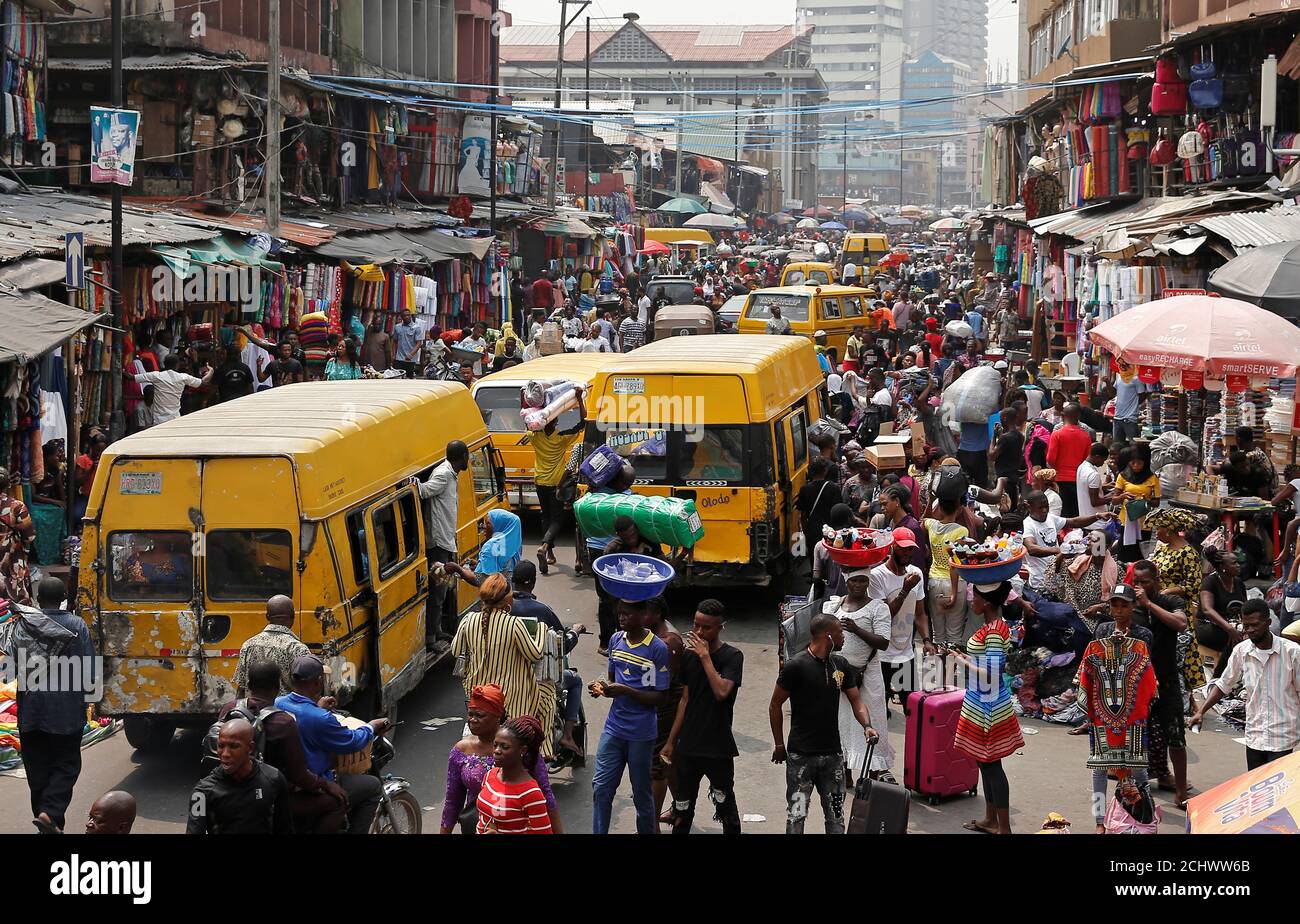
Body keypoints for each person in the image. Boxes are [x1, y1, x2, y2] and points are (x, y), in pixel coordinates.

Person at [769, 613, 878, 835]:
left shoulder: (841, 665)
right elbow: (775, 705)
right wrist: (779, 745)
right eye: (840, 632)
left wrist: (867, 725)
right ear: (828, 635)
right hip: (801, 758)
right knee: (796, 814)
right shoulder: (795, 666)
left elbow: (856, 700)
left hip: (833, 757)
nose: (844, 637)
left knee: (836, 815)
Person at [226, 660, 350, 833]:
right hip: (269, 800)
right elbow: (300, 776)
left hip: (231, 790)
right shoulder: (283, 722)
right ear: (277, 686)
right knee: (338, 802)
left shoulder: (230, 709)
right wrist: (326, 785)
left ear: (249, 684)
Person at [12, 577, 94, 833]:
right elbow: (89, 667)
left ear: (37, 599)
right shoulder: (76, 624)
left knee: (38, 770)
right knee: (66, 766)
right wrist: (91, 699)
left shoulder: (24, 624)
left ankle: (47, 822)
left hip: (32, 712)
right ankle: (50, 814)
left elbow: (12, 664)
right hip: (66, 712)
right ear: (63, 600)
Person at [274, 655, 389, 833]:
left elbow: (304, 721)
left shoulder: (279, 703)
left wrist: (316, 707)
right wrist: (371, 727)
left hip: (290, 781)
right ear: (319, 681)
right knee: (373, 786)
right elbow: (351, 741)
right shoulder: (320, 718)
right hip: (313, 784)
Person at [589, 597, 671, 835]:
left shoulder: (657, 648)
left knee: (642, 796)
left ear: (644, 614)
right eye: (620, 613)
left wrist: (626, 691)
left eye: (627, 614)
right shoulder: (615, 640)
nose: (622, 618)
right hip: (614, 728)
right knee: (601, 789)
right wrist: (602, 688)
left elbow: (660, 697)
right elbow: (613, 680)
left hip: (641, 733)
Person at [1081, 584, 1158, 833]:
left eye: (1125, 605)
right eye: (1115, 605)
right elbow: (1091, 668)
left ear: (1133, 606)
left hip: (1132, 714)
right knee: (1100, 769)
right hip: (1104, 712)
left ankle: (1144, 816)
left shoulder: (1143, 635)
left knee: (1138, 769)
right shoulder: (1101, 630)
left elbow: (1144, 672)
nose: (1119, 610)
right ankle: (1099, 821)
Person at [662, 600, 743, 834]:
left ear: (721, 627)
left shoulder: (732, 657)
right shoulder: (689, 657)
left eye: (706, 627)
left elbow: (721, 692)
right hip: (688, 747)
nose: (698, 632)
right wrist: (670, 742)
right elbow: (684, 700)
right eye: (696, 625)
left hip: (718, 747)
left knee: (726, 807)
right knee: (682, 810)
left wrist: (705, 657)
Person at [950, 581, 1024, 834]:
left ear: (988, 602)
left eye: (976, 598)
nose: (972, 602)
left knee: (991, 765)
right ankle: (991, 820)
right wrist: (969, 658)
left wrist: (963, 661)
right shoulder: (993, 627)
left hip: (988, 705)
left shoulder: (994, 631)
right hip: (981, 699)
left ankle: (1004, 828)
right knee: (985, 763)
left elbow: (992, 674)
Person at [451, 574, 555, 753]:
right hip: (511, 698)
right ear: (507, 599)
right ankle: (543, 753)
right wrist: (542, 631)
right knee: (549, 694)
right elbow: (535, 654)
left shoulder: (469, 620)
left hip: (477, 694)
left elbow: (455, 649)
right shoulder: (514, 624)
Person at [1192, 600, 1300, 770]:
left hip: (1283, 736)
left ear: (1268, 623)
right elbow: (1223, 685)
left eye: (1255, 625)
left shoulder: (1292, 652)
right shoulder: (1241, 651)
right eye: (1246, 626)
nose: (1250, 630)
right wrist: (1201, 711)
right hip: (1254, 734)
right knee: (1256, 788)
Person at [1128, 561, 1191, 808]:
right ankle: (1135, 790)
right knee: (1134, 739)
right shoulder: (1129, 604)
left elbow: (1181, 624)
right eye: (1136, 582)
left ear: (1157, 580)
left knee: (1176, 737)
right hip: (1138, 684)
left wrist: (1149, 605)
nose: (1140, 587)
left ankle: (1181, 794)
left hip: (1166, 682)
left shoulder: (1170, 603)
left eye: (1145, 582)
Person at [510, 561, 585, 758]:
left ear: (512, 581)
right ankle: (568, 735)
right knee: (575, 681)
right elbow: (563, 644)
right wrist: (575, 632)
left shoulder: (502, 609)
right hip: (540, 681)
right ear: (533, 583)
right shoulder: (542, 610)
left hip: (507, 678)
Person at [833, 571, 895, 780]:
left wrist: (856, 629)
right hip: (840, 676)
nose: (859, 585)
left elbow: (883, 642)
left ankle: (873, 776)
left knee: (873, 720)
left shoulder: (878, 607)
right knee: (843, 723)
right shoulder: (834, 606)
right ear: (846, 581)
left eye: (863, 581)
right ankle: (845, 772)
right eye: (854, 580)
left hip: (868, 676)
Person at [187, 718, 294, 834]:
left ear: (250, 748)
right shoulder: (202, 793)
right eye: (221, 746)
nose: (225, 754)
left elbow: (284, 828)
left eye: (234, 746)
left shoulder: (274, 779)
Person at [870, 527, 931, 706]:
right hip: (882, 655)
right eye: (902, 548)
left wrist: (927, 640)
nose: (907, 553)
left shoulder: (916, 574)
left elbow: (920, 613)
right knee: (879, 707)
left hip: (906, 655)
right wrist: (905, 590)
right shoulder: (877, 576)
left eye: (910, 549)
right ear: (891, 547)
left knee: (912, 709)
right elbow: (883, 616)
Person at [530, 388, 586, 576]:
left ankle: (550, 554)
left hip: (539, 481)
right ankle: (545, 546)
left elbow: (528, 421)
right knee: (557, 518)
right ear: (554, 420)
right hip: (556, 483)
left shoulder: (534, 437)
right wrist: (579, 398)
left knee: (545, 515)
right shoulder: (560, 439)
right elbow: (582, 424)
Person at [420, 440, 468, 645]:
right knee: (438, 592)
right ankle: (431, 638)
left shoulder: (451, 474)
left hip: (447, 540)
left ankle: (438, 630)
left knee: (444, 589)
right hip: (439, 543)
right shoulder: (443, 474)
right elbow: (423, 491)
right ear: (463, 457)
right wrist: (412, 483)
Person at [474, 714, 554, 834]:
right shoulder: (490, 775)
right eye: (495, 745)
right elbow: (486, 819)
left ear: (522, 750)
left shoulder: (531, 793)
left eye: (504, 747)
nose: (497, 751)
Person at [232, 594, 310, 696]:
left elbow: (241, 688)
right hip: (286, 711)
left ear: (267, 616)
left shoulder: (248, 645)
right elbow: (308, 689)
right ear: (293, 615)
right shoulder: (297, 649)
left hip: (254, 710)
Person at [925, 496, 971, 649]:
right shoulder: (962, 531)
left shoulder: (931, 525)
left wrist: (930, 501)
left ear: (940, 509)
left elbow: (922, 520)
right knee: (954, 634)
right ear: (958, 509)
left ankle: (940, 671)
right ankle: (950, 672)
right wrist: (953, 592)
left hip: (934, 583)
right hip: (955, 583)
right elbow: (955, 563)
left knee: (938, 635)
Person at [1199, 548, 1247, 680]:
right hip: (1209, 626)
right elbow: (1207, 609)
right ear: (1222, 567)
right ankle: (1220, 678)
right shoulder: (1210, 582)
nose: (1238, 565)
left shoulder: (1238, 582)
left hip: (1233, 625)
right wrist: (1229, 628)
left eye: (1238, 562)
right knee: (1232, 638)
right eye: (1234, 563)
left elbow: (1245, 608)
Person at [445, 508, 523, 585]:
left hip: (495, 596)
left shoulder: (490, 546)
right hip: (510, 593)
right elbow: (500, 566)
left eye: (488, 523)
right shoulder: (515, 545)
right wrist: (482, 565)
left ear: (498, 526)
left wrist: (458, 569)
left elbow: (480, 580)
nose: (484, 527)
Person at [1111, 443, 1160, 563]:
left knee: (1141, 554)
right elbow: (1114, 499)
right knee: (1125, 553)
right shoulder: (1123, 476)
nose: (1136, 466)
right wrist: (1123, 496)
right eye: (1133, 463)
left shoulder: (1152, 478)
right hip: (1126, 522)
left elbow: (1157, 502)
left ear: (1145, 463)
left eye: (1139, 463)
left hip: (1144, 523)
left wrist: (1147, 501)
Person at [133, 353, 212, 425]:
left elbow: (132, 377)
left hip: (159, 421)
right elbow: (203, 383)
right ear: (177, 365)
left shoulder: (156, 376)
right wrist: (211, 371)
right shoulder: (183, 377)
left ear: (164, 364)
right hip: (175, 420)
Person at [1046, 403, 1090, 517]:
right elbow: (1087, 460)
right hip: (1079, 479)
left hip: (1060, 478)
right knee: (1076, 512)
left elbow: (1050, 459)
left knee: (1063, 513)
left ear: (1063, 415)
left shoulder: (1057, 434)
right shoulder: (1086, 436)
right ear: (1078, 416)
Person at [0, 467, 35, 605]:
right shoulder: (16, 506)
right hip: (12, 560)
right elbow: (30, 536)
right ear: (8, 485)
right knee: (16, 602)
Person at [796, 458, 839, 563]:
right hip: (830, 528)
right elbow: (837, 509)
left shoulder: (804, 489)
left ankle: (815, 576)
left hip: (812, 529)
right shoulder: (833, 488)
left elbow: (802, 514)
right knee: (831, 554)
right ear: (825, 471)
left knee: (814, 555)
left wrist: (805, 530)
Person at [991, 405, 1025, 509]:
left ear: (1004, 418)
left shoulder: (1005, 438)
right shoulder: (1020, 436)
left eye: (1001, 418)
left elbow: (992, 455)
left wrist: (993, 436)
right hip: (1014, 478)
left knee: (1003, 508)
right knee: (1013, 507)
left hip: (1003, 479)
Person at [1076, 442, 1109, 518]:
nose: (1103, 463)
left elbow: (1086, 488)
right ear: (1097, 457)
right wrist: (1113, 498)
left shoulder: (1081, 467)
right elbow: (1095, 502)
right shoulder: (1094, 474)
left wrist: (1103, 487)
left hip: (1085, 517)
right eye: (1103, 460)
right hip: (1097, 520)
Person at [393, 310, 423, 378]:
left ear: (411, 316)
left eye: (408, 315)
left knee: (409, 378)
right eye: (404, 315)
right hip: (399, 358)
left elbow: (419, 343)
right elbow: (395, 341)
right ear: (402, 317)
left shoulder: (416, 328)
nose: (406, 317)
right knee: (398, 377)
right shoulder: (397, 327)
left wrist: (411, 354)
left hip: (410, 359)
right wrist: (393, 355)